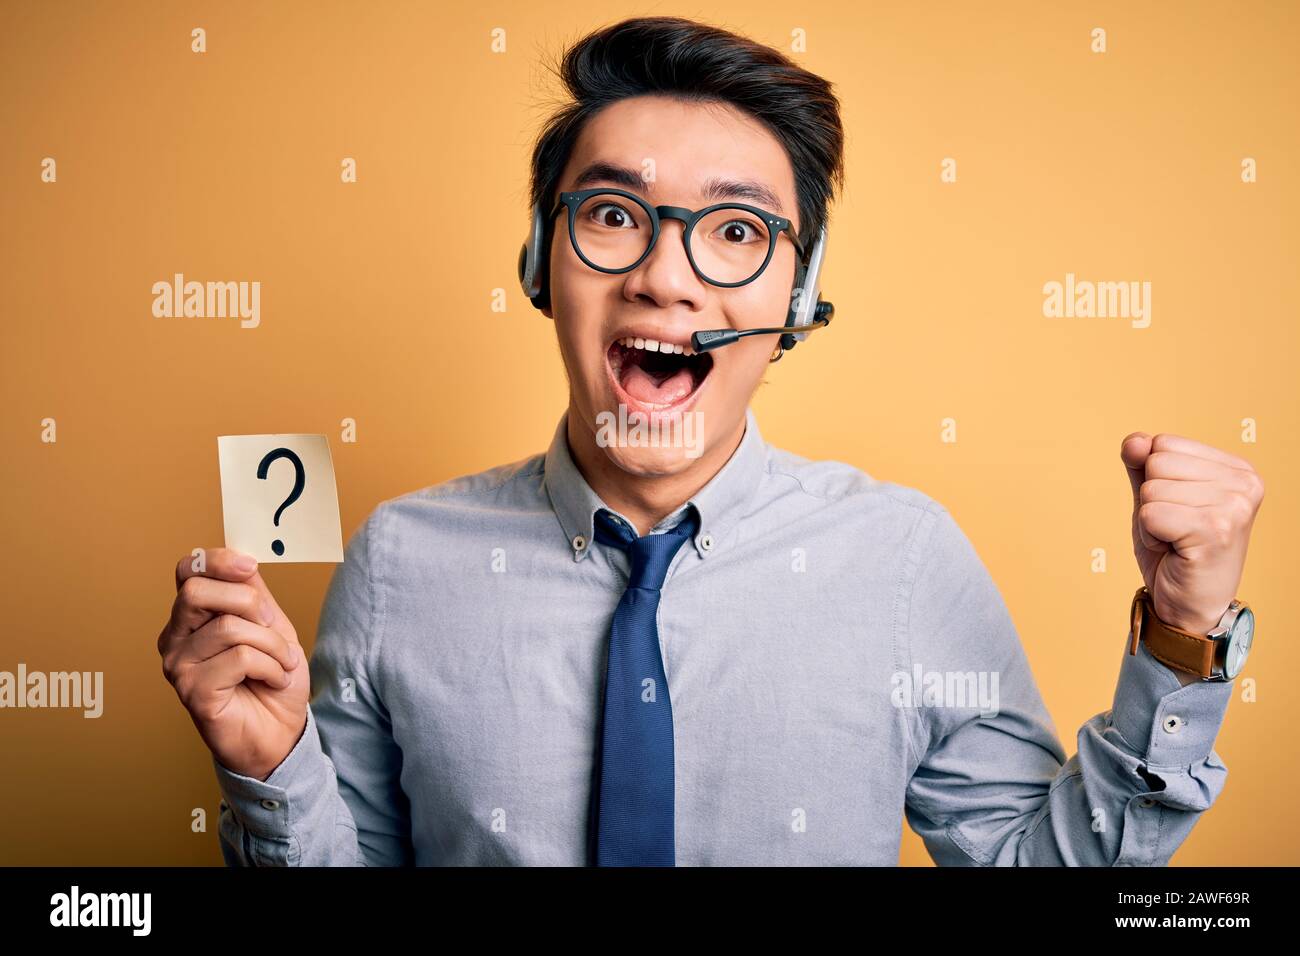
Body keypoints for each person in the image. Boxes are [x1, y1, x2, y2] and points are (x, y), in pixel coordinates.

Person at [157, 15, 1264, 866]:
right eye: (610, 215)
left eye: (735, 231)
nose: (665, 275)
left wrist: (1179, 636)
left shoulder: (903, 559)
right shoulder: (399, 558)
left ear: (798, 298)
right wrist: (269, 769)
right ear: (543, 263)